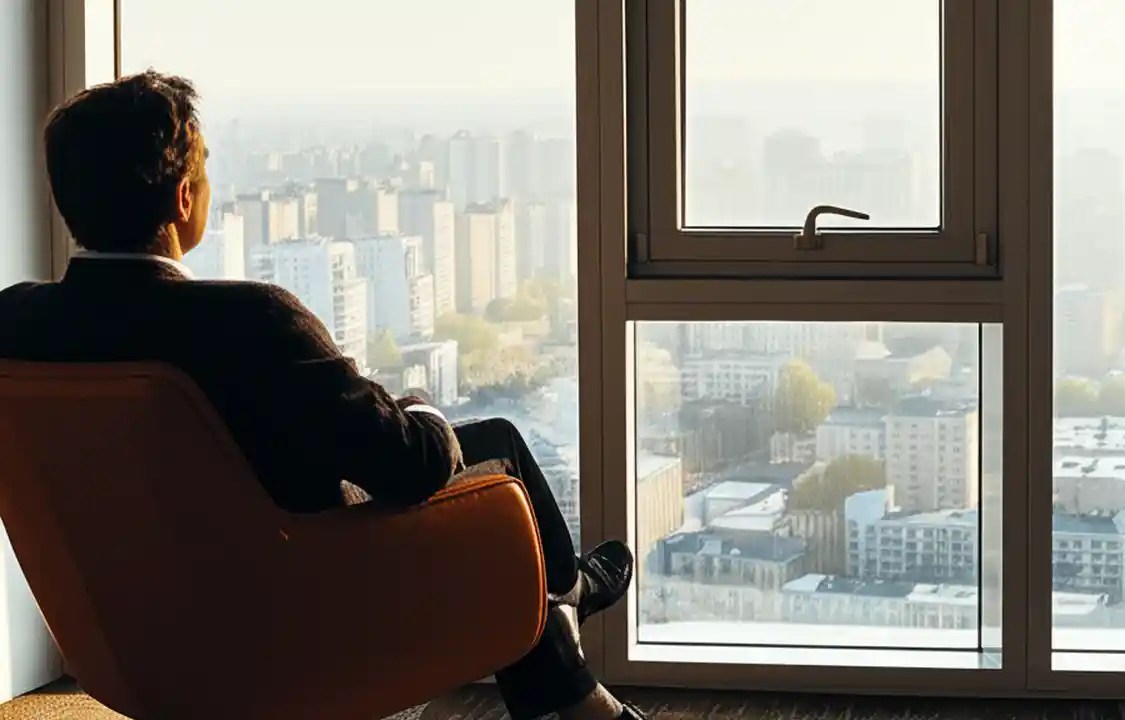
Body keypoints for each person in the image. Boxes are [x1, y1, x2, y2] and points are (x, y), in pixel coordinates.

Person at [0, 71, 644, 720]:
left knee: (488, 443)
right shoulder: (251, 321)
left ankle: (566, 639)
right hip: (303, 614)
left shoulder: (15, 325)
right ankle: (563, 601)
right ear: (185, 196)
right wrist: (418, 405)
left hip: (132, 639)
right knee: (491, 449)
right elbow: (411, 466)